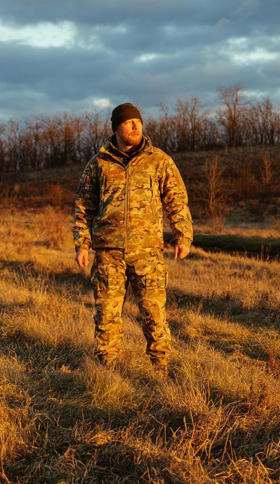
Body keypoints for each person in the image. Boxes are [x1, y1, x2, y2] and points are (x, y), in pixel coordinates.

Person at [73, 102, 193, 375]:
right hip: (109, 254)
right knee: (107, 316)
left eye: (138, 121)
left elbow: (176, 200)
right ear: (117, 128)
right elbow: (83, 206)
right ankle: (107, 372)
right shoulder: (98, 164)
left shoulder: (158, 160)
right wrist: (82, 244)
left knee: (154, 315)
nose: (136, 126)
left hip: (147, 253)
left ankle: (161, 371)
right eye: (129, 122)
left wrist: (182, 236)